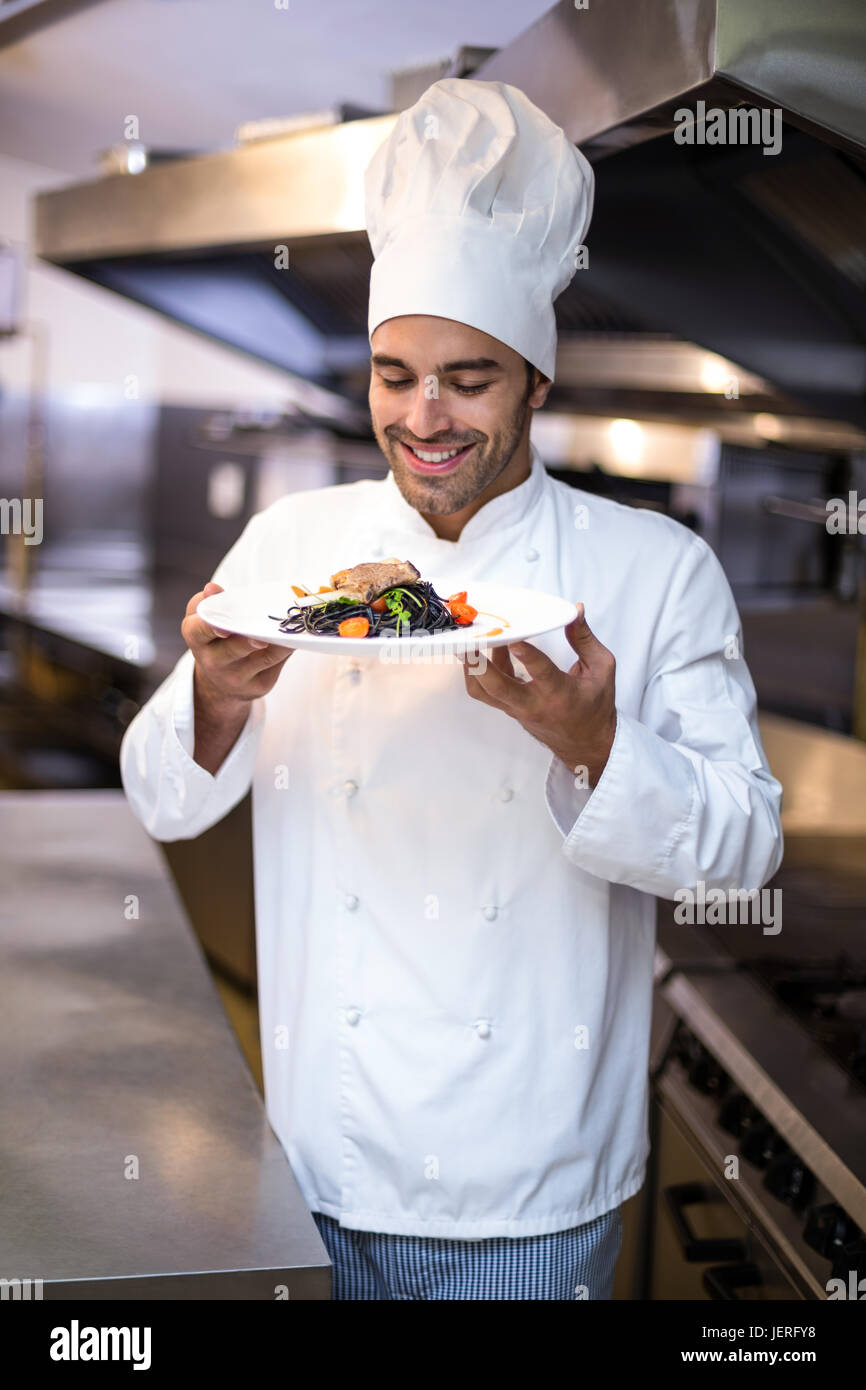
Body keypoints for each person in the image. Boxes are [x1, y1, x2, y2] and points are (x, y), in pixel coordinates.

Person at [120, 79, 783, 1301]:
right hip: (314, 1159)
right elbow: (161, 801)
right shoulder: (291, 550)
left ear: (537, 378)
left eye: (467, 379)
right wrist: (215, 699)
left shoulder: (648, 569)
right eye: (393, 374)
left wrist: (596, 747)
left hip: (532, 1194)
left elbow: (742, 853)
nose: (422, 417)